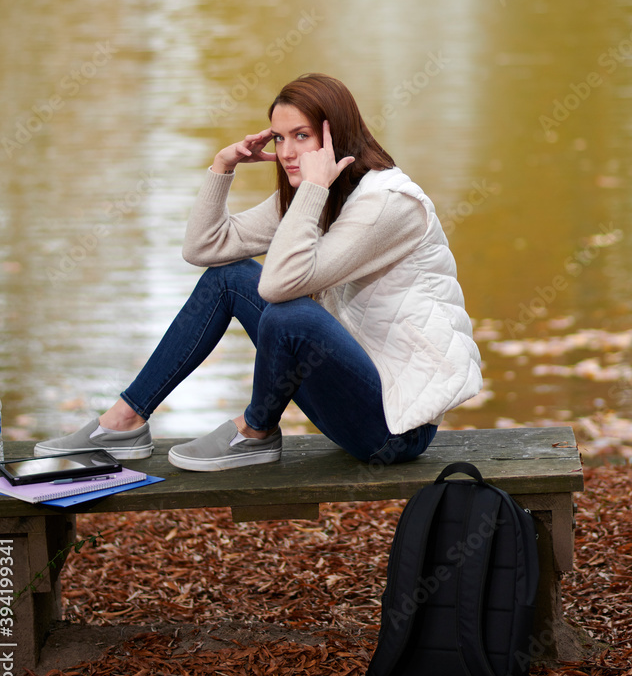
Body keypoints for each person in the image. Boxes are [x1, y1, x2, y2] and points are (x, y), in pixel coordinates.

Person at [35, 74, 482, 471]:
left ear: (335, 137)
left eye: (301, 136)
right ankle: (123, 422)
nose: (287, 153)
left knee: (291, 315)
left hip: (395, 429)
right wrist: (221, 167)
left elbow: (277, 287)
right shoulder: (314, 194)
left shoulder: (389, 205)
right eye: (279, 139)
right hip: (348, 394)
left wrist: (310, 190)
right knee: (227, 277)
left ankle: (256, 431)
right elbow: (204, 249)